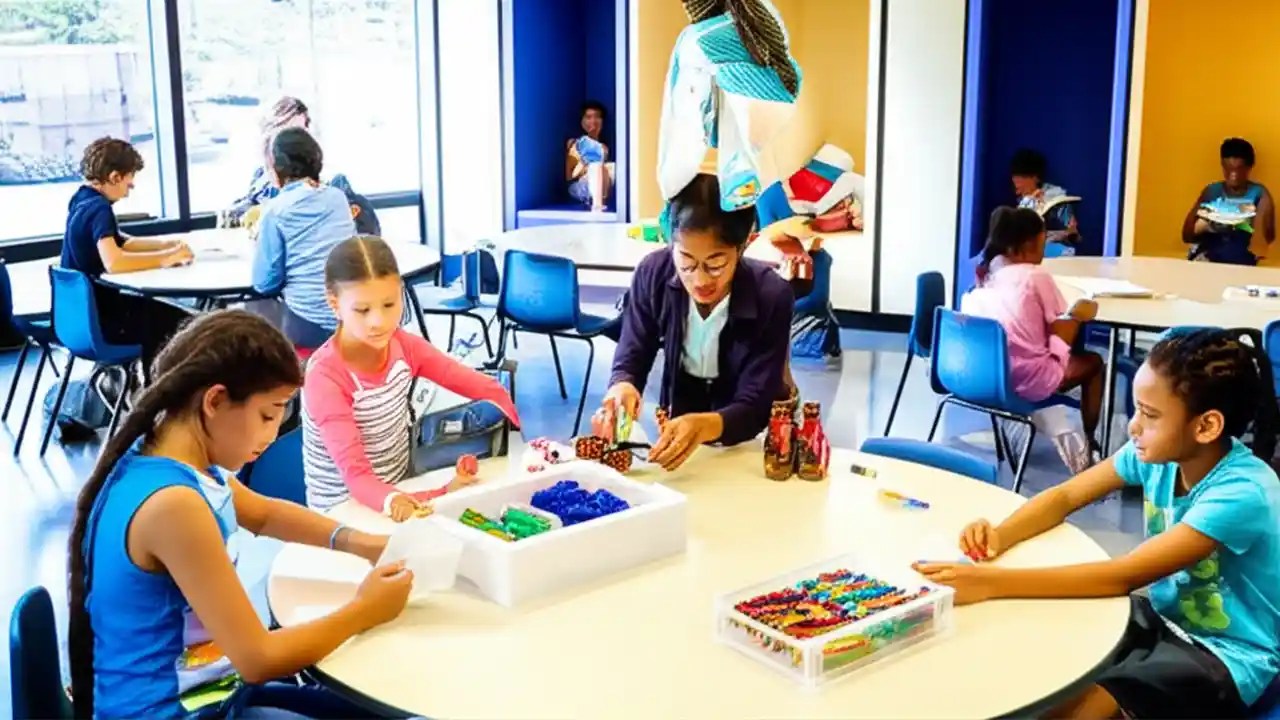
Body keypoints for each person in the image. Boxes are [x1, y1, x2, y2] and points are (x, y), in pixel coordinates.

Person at [915, 328, 1280, 719]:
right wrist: (1000, 535)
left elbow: (1124, 575)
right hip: (1158, 621)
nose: (1133, 427)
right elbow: (1064, 497)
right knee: (1040, 656)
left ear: (1205, 426)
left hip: (1226, 657)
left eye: (1150, 415)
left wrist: (990, 583)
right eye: (1137, 409)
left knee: (1084, 705)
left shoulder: (1243, 492)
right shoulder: (1159, 452)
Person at [67, 309, 414, 719]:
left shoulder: (176, 461)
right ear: (214, 401)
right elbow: (258, 658)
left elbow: (265, 515)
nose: (272, 434)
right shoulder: (173, 505)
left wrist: (365, 544)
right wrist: (365, 610)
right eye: (268, 415)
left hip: (215, 692)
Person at [302, 236, 520, 520]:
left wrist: (527, 437)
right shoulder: (325, 377)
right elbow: (357, 476)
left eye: (389, 304)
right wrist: (396, 500)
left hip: (397, 488)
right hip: (342, 513)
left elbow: (475, 383)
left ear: (401, 293)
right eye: (363, 310)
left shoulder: (403, 346)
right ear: (335, 304)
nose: (378, 321)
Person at [602, 173, 794, 471]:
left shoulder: (771, 295)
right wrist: (622, 385)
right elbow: (634, 350)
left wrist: (707, 426)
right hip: (681, 414)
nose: (701, 280)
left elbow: (757, 402)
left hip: (749, 437)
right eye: (687, 262)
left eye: (716, 264)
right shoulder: (653, 273)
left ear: (743, 245)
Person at [961, 207, 1105, 465]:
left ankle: (1060, 429)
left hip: (981, 374)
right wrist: (1077, 317)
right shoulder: (1036, 276)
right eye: (1042, 242)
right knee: (1094, 362)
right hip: (1026, 380)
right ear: (1029, 244)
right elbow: (1060, 325)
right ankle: (1090, 442)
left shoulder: (984, 274)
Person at [61, 137, 196, 373]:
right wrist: (166, 259)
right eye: (129, 179)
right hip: (106, 321)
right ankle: (159, 386)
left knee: (159, 313)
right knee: (183, 324)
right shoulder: (100, 209)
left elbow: (122, 242)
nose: (131, 187)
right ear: (115, 177)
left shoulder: (82, 199)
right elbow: (114, 261)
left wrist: (165, 246)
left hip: (80, 318)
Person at [250, 127, 355, 336]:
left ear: (277, 168)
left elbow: (264, 283)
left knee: (258, 313)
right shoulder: (338, 198)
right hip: (351, 315)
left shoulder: (276, 210)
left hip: (308, 323)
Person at [225, 96, 379, 235]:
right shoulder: (263, 178)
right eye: (285, 133)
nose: (294, 141)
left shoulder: (333, 183)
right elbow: (238, 210)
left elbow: (364, 233)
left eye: (300, 132)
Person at [1182, 137, 1276, 265]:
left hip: (1241, 260)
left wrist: (1251, 222)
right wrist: (1205, 225)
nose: (1233, 175)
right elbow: (1187, 236)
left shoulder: (1259, 194)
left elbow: (1267, 238)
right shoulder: (1212, 191)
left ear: (1249, 168)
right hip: (1208, 258)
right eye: (1228, 169)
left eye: (1239, 169)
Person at [1010, 148, 1080, 250]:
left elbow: (1074, 234)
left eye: (1022, 188)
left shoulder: (1056, 198)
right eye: (1016, 189)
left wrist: (1065, 233)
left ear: (1035, 178)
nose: (1018, 193)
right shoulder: (1021, 200)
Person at [565, 100, 614, 212]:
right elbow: (570, 176)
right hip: (581, 186)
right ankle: (597, 207)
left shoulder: (604, 147)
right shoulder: (574, 143)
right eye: (588, 117)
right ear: (582, 122)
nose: (593, 121)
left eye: (597, 117)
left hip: (603, 187)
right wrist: (585, 163)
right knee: (596, 166)